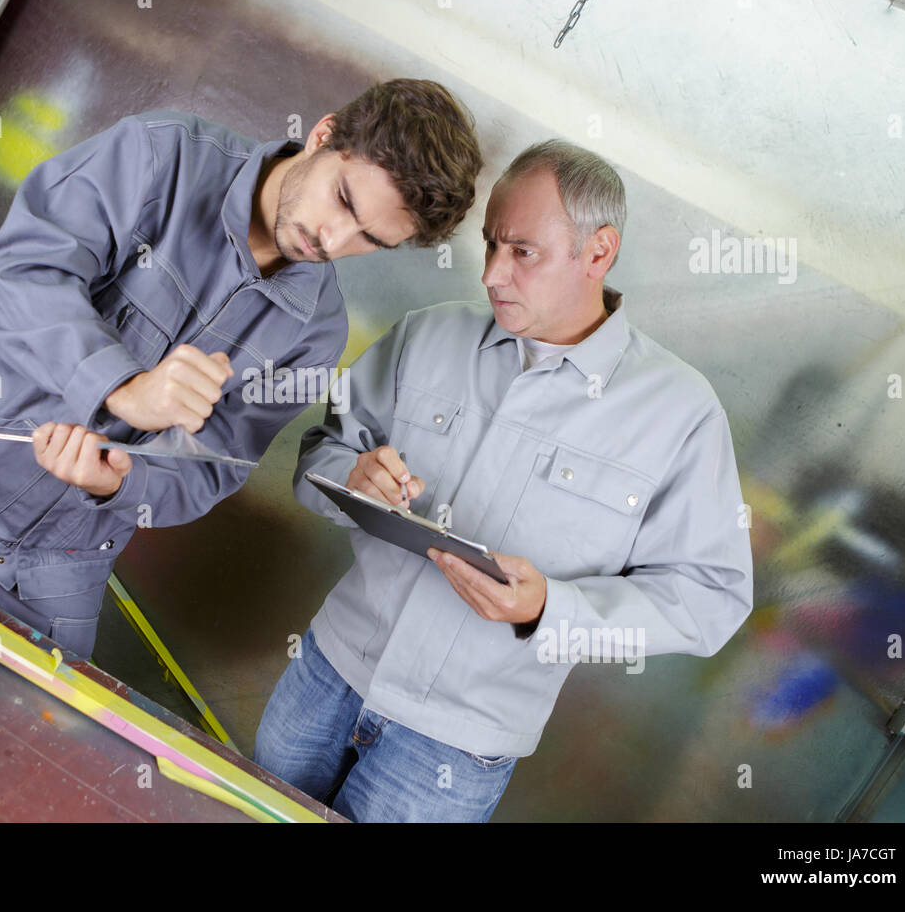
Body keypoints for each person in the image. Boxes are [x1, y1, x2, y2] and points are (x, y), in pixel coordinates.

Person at [0, 80, 483, 659]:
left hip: (59, 568)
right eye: (342, 200)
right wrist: (121, 389)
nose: (334, 240)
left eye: (371, 239)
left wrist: (118, 482)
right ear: (323, 135)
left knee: (1, 749)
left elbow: (217, 467)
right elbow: (23, 273)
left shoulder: (317, 330)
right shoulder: (161, 157)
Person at [256, 139, 754, 822]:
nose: (491, 274)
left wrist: (554, 611)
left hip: (452, 750)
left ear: (598, 252)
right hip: (324, 674)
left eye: (523, 252)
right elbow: (320, 456)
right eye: (490, 244)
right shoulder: (427, 335)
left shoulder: (679, 413)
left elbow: (710, 599)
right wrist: (355, 477)